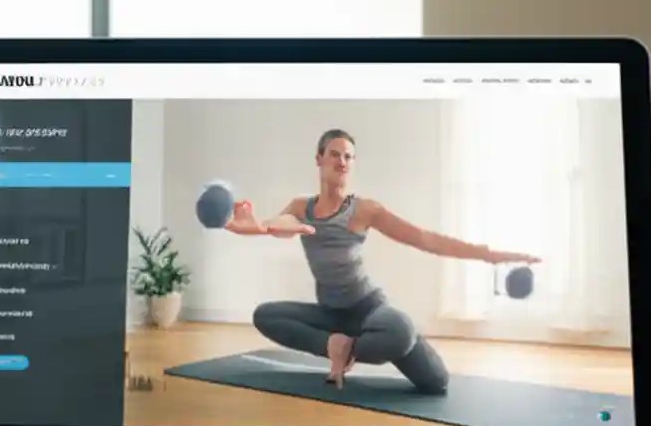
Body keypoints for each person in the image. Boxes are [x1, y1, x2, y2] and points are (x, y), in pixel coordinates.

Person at [225, 128, 540, 393]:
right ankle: (336, 345)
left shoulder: (364, 210)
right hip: (331, 315)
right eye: (334, 154)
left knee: (429, 372)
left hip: (369, 309)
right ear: (319, 159)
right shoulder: (299, 207)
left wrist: (491, 256)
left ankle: (348, 347)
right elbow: (280, 226)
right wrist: (255, 227)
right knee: (265, 316)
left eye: (348, 156)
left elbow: (426, 240)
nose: (342, 161)